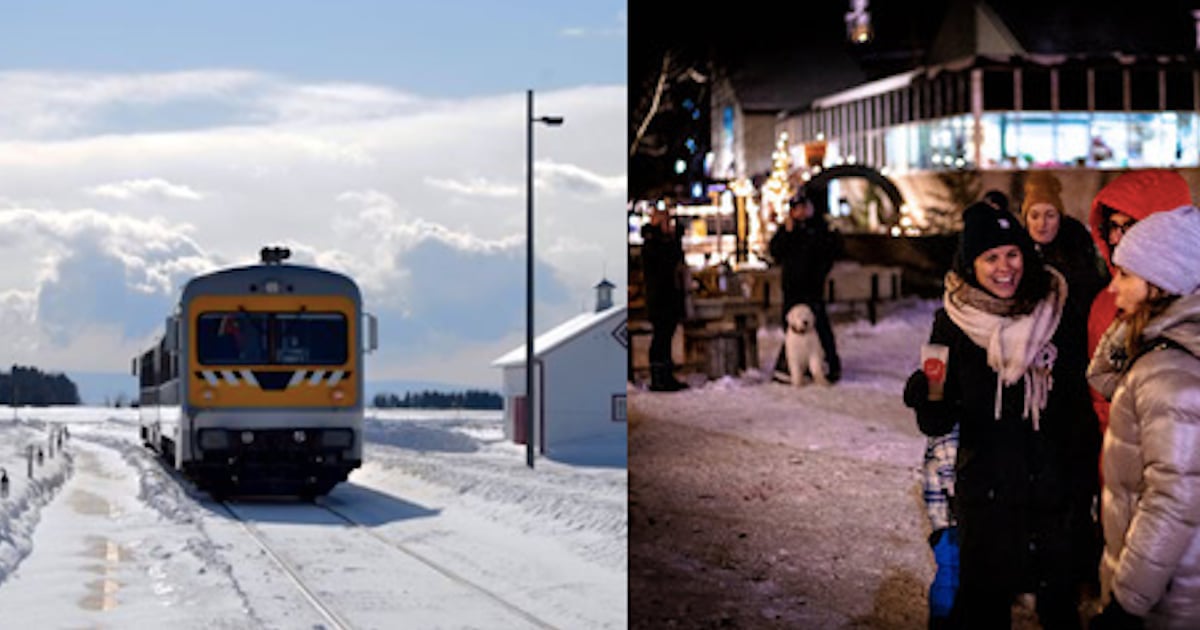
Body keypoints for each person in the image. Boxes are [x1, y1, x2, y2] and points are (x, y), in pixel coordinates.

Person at [903, 202, 1099, 628]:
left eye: (1012, 253)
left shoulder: (1058, 309)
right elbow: (936, 422)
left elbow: (1078, 406)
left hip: (1054, 494)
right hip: (988, 497)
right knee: (982, 612)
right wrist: (927, 394)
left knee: (1060, 611)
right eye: (990, 257)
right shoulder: (951, 323)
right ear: (972, 264)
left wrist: (1079, 483)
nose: (1004, 267)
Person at [1085, 206, 1200, 629]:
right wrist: (1135, 326)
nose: (1113, 287)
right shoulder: (1158, 352)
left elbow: (1172, 500)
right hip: (1162, 581)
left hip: (1164, 598)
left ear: (1162, 283)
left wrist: (1127, 605)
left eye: (1126, 276)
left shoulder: (1170, 374)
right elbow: (1103, 378)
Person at [1086, 170, 1192, 443]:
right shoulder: (1104, 303)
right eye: (1111, 226)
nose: (1115, 238)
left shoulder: (1188, 319)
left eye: (1129, 225)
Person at [769, 189, 842, 383]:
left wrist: (820, 274)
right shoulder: (787, 230)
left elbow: (830, 251)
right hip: (792, 287)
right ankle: (790, 366)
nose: (800, 212)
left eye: (803, 208)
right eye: (796, 209)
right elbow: (775, 252)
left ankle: (829, 365)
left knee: (820, 326)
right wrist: (787, 232)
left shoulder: (819, 228)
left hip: (812, 286)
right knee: (791, 328)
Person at [1022, 172, 1108, 325]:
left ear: (1059, 218)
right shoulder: (1017, 251)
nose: (1042, 224)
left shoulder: (1077, 248)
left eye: (1050, 215)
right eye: (1034, 216)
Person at [641, 205, 690, 391]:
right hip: (660, 298)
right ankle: (659, 377)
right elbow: (668, 262)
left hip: (666, 297)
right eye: (666, 221)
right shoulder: (653, 243)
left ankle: (665, 375)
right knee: (661, 338)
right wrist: (675, 239)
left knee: (665, 337)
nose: (669, 225)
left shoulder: (657, 242)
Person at [923, 425, 960, 629]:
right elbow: (948, 452)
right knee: (951, 571)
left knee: (951, 571)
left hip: (946, 514)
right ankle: (942, 620)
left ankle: (942, 618)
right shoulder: (952, 422)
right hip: (951, 516)